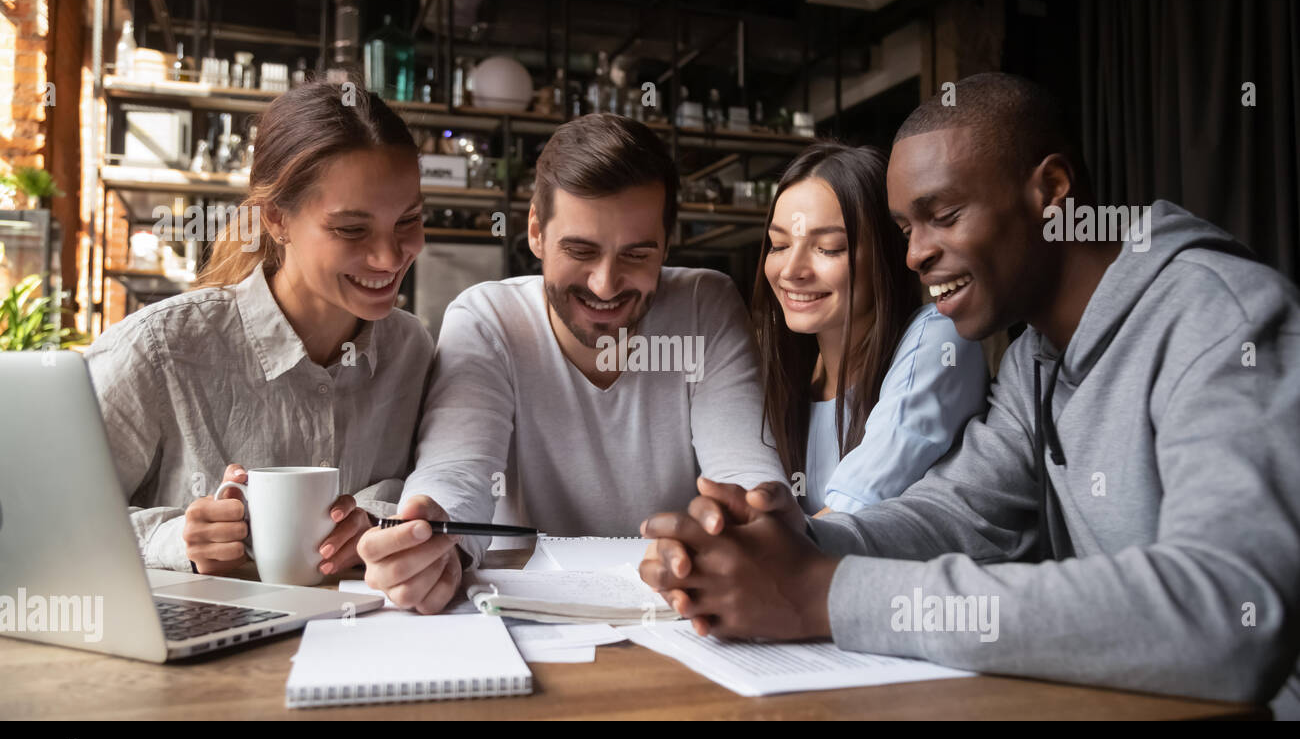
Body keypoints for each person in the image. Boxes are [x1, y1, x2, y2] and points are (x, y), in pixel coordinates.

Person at [638, 72, 1300, 717]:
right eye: (904, 230)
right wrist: (799, 540)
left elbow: (1230, 611)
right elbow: (959, 512)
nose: (914, 256)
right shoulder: (1032, 358)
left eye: (943, 216)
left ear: (1053, 191)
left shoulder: (1223, 320)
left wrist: (826, 592)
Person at [356, 113, 788, 614]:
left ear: (666, 246)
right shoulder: (488, 318)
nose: (605, 285)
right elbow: (457, 474)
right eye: (580, 250)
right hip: (526, 617)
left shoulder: (704, 305)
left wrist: (749, 530)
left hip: (677, 608)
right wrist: (433, 539)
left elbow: (746, 479)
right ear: (536, 233)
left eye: (636, 255)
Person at [87, 82, 434, 579]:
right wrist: (175, 537)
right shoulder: (161, 348)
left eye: (409, 220)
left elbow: (440, 495)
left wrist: (378, 527)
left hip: (363, 639)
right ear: (276, 219)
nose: (389, 257)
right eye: (351, 230)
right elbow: (44, 515)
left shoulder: (412, 350)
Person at [753, 141, 986, 515]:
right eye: (779, 245)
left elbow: (855, 507)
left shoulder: (940, 337)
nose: (791, 270)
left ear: (889, 254)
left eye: (828, 248)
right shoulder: (780, 374)